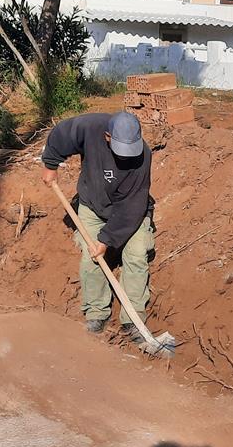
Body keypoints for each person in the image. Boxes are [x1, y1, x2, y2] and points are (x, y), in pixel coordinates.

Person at [41, 111, 155, 341]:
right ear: (107, 137)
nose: (126, 157)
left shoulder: (143, 156)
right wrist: (50, 164)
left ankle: (133, 320)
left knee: (136, 254)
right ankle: (96, 312)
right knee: (90, 256)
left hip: (127, 212)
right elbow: (63, 134)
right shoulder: (90, 127)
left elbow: (131, 208)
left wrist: (106, 240)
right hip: (93, 206)